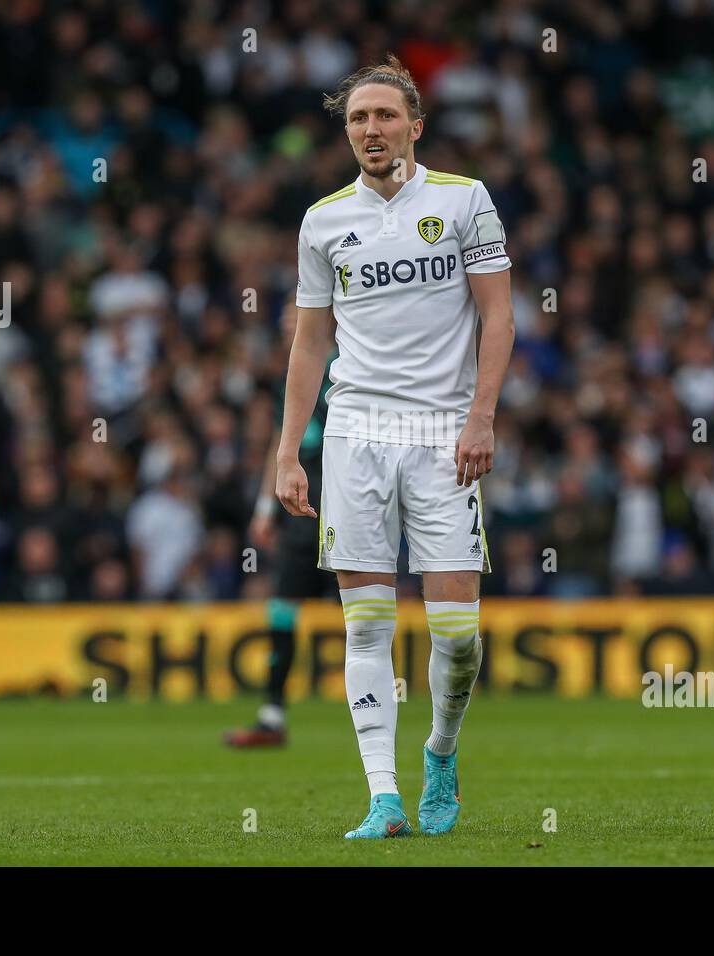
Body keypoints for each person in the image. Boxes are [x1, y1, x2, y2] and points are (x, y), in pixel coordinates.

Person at [277, 55, 514, 837]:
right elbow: (310, 345)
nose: (371, 130)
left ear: (416, 124)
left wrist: (481, 417)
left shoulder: (464, 200)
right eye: (357, 120)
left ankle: (440, 752)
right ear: (346, 133)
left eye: (384, 116)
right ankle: (382, 797)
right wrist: (288, 450)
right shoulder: (323, 221)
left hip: (443, 435)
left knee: (458, 638)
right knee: (366, 626)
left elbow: (499, 317)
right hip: (354, 435)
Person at [224, 296, 336, 747]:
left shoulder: (346, 365)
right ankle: (272, 715)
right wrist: (264, 508)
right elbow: (280, 439)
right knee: (283, 605)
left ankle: (375, 714)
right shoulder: (289, 375)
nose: (289, 323)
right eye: (285, 317)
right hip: (300, 498)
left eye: (296, 315)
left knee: (360, 606)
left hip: (341, 489)